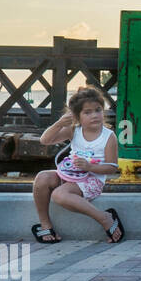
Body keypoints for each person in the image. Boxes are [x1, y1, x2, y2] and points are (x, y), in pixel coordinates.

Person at [31, 86, 122, 243]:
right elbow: (44, 140)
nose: (94, 115)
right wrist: (59, 124)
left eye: (98, 110)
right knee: (41, 178)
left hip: (92, 179)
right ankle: (45, 224)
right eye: (87, 112)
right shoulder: (74, 130)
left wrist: (90, 167)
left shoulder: (109, 137)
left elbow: (112, 167)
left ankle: (104, 218)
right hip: (70, 174)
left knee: (59, 194)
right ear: (77, 116)